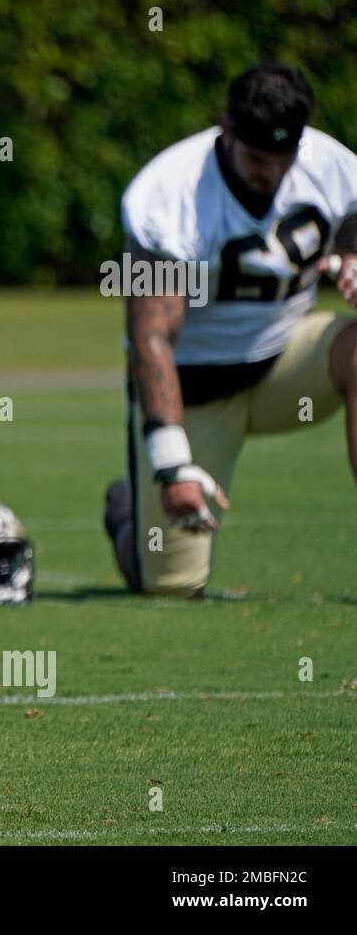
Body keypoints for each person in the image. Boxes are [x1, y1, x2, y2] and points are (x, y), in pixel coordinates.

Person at [105, 64, 357, 596]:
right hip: (192, 391)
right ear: (226, 130)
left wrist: (352, 254)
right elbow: (151, 337)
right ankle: (128, 513)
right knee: (171, 586)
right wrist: (171, 463)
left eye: (284, 160)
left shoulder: (331, 165)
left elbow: (351, 228)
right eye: (257, 159)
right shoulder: (166, 195)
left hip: (287, 361)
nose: (271, 174)